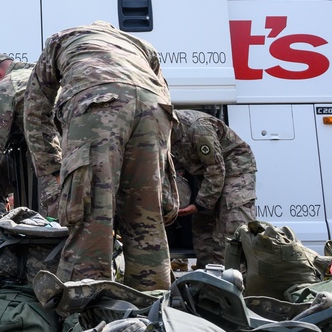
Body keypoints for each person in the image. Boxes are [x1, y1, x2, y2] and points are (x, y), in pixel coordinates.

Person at [23, 20, 176, 291]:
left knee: (91, 213)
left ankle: (88, 315)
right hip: (155, 109)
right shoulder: (141, 45)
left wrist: (52, 170)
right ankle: (154, 310)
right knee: (146, 220)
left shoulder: (62, 37)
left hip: (97, 103)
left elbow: (35, 109)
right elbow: (162, 95)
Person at [171, 109, 257, 268]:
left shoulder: (198, 128)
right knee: (203, 230)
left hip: (235, 170)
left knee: (230, 228)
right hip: (206, 174)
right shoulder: (163, 132)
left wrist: (199, 204)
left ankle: (233, 281)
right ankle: (207, 281)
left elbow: (216, 168)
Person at [0, 54, 45, 209]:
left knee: (54, 206)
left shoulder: (5, 85)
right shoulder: (42, 72)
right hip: (85, 141)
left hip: (52, 153)